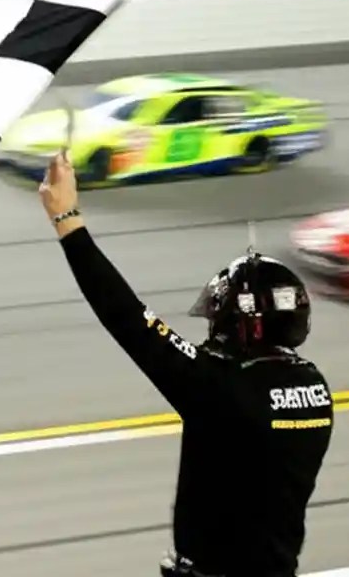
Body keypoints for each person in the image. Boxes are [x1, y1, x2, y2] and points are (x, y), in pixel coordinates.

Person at [38, 150, 333, 577]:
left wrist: (67, 218)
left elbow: (128, 318)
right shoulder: (316, 389)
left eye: (218, 317)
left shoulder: (219, 386)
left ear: (238, 325)